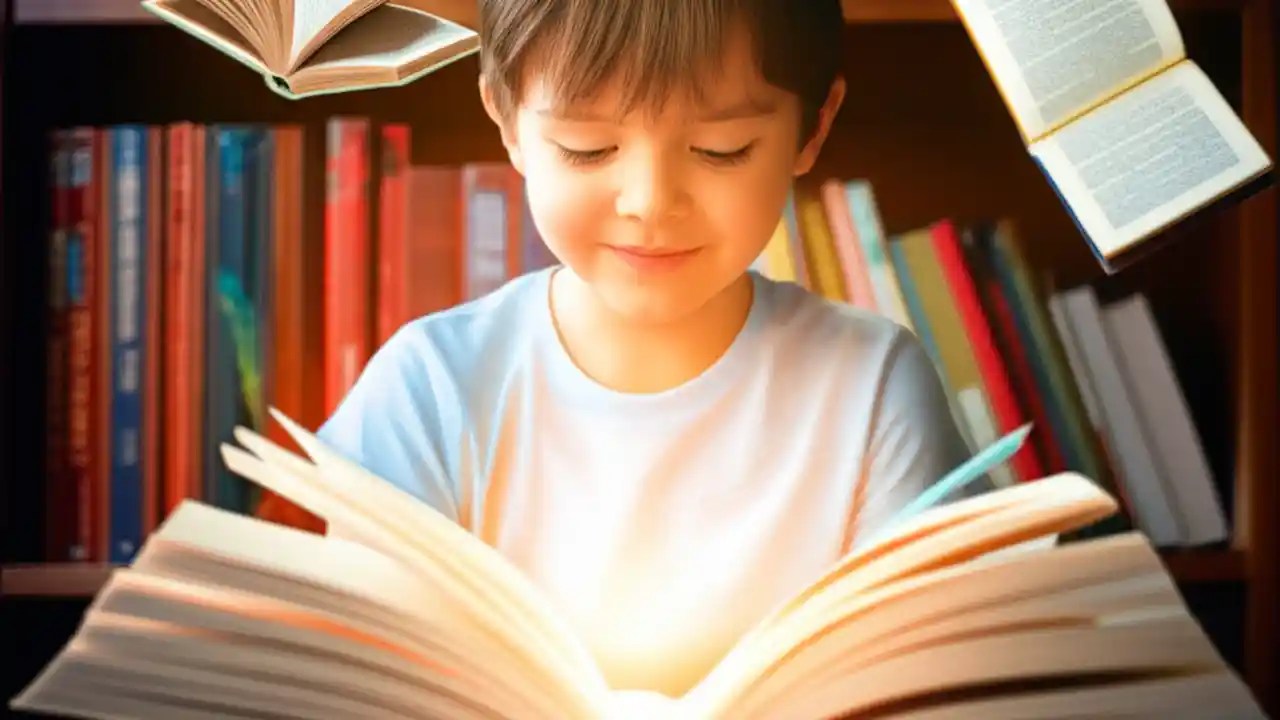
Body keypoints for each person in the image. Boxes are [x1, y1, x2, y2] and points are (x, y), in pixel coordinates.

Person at [316, 0, 977, 700]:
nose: (650, 202)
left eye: (722, 150)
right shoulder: (429, 392)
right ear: (507, 119)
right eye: (588, 147)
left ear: (813, 127)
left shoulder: (872, 389)